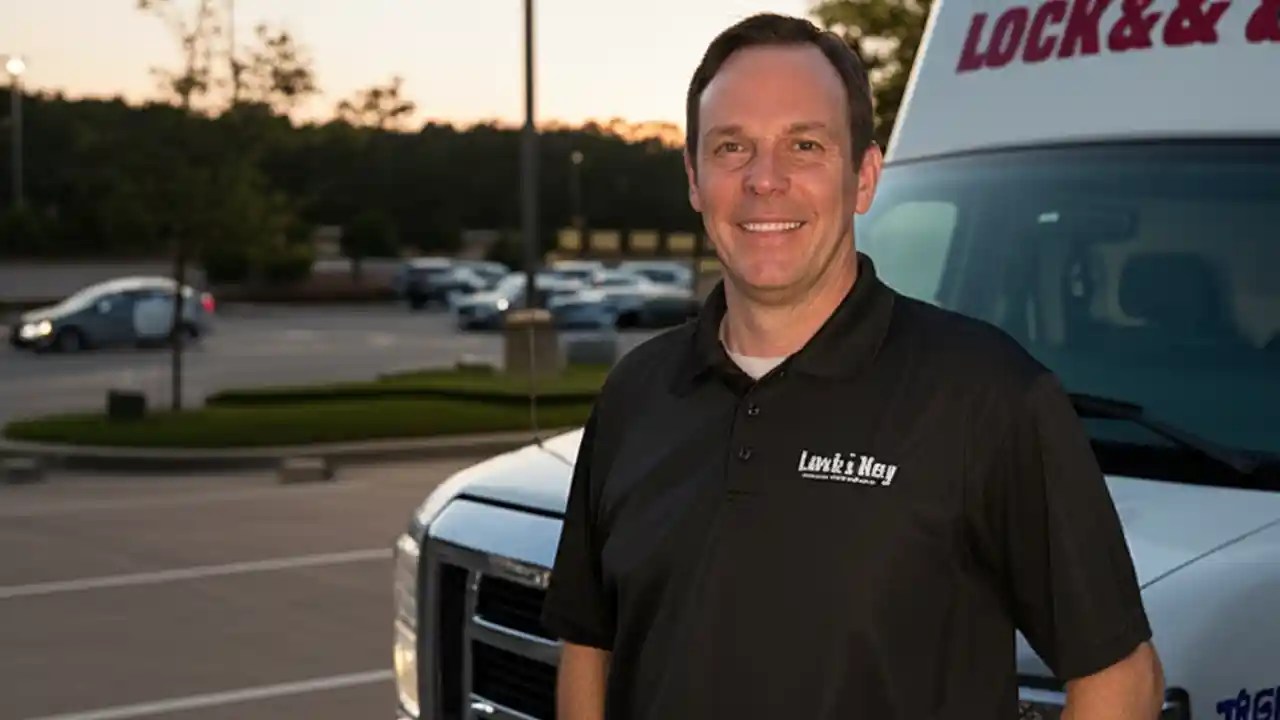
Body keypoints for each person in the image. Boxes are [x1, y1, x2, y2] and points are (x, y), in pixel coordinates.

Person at [541, 12, 1166, 720]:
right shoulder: (635, 393)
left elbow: (1120, 677)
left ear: (863, 177)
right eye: (731, 147)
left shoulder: (986, 396)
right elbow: (591, 647)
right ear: (693, 178)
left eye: (804, 145)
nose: (764, 180)